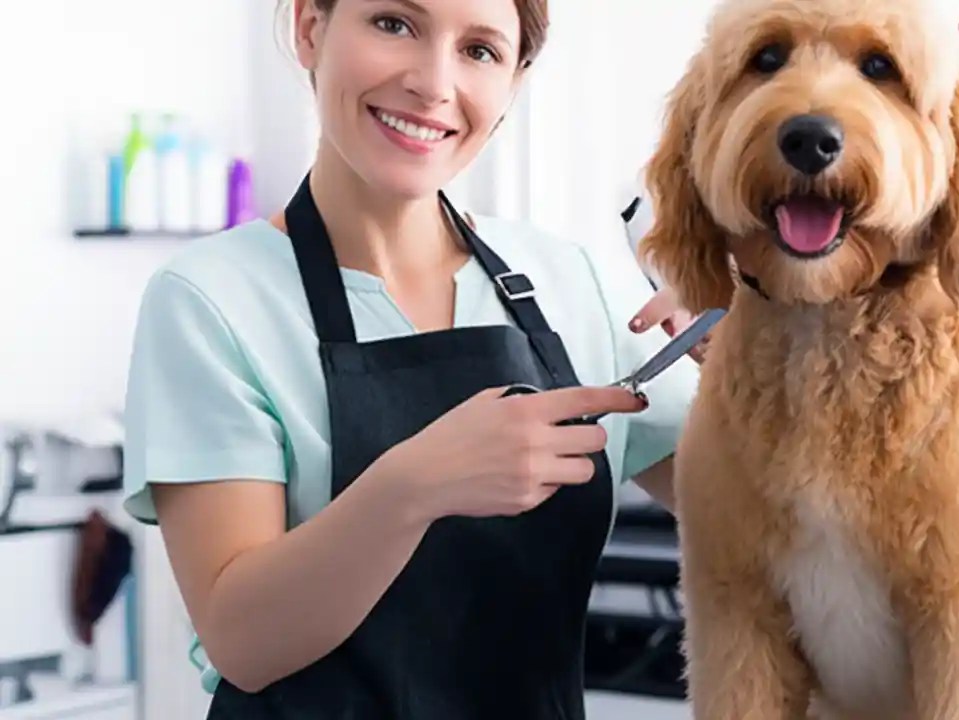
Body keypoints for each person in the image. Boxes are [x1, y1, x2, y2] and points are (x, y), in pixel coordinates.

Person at [119, 0, 701, 717]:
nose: (433, 83)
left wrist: (770, 341)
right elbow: (243, 640)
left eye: (481, 50)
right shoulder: (210, 298)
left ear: (514, 82)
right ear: (309, 27)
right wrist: (414, 486)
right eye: (395, 23)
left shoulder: (572, 281)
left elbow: (758, 515)